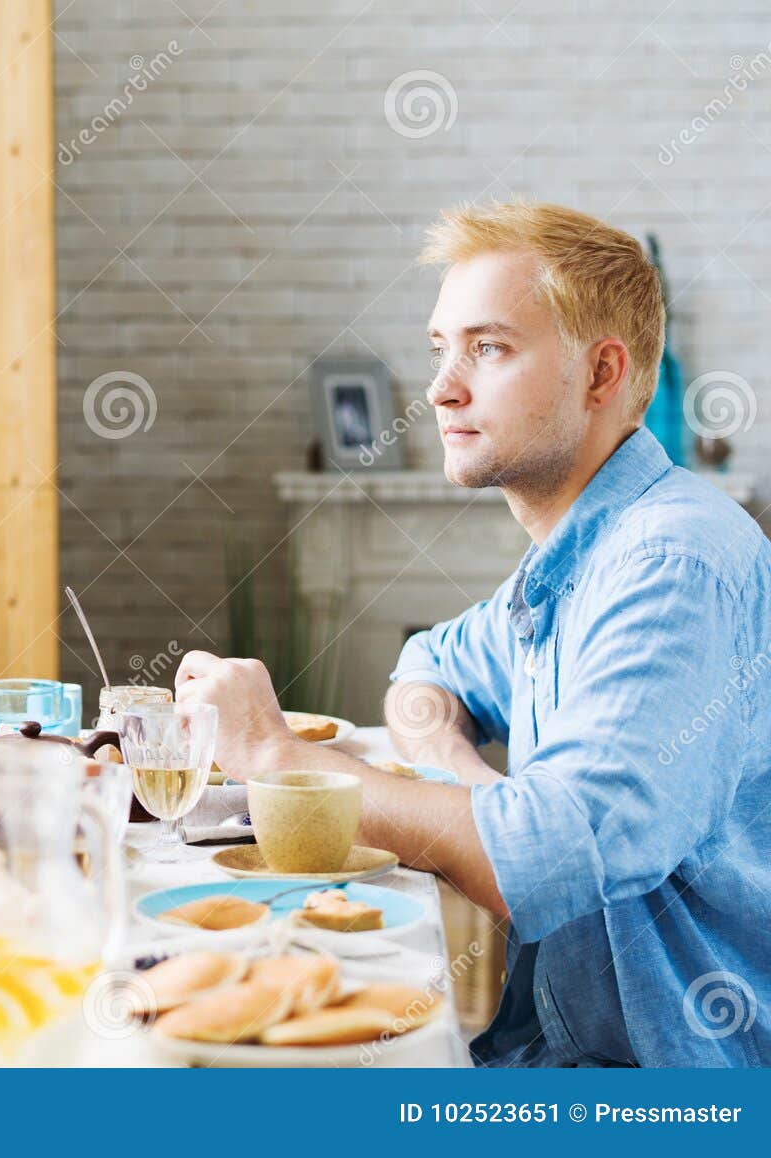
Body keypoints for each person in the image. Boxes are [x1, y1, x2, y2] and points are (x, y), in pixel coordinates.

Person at [177, 201, 771, 1067]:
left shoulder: (670, 562)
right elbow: (427, 670)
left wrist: (278, 755)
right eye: (439, 349)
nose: (441, 388)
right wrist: (474, 784)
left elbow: (538, 863)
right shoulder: (578, 556)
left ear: (603, 374)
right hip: (553, 1058)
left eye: (488, 348)